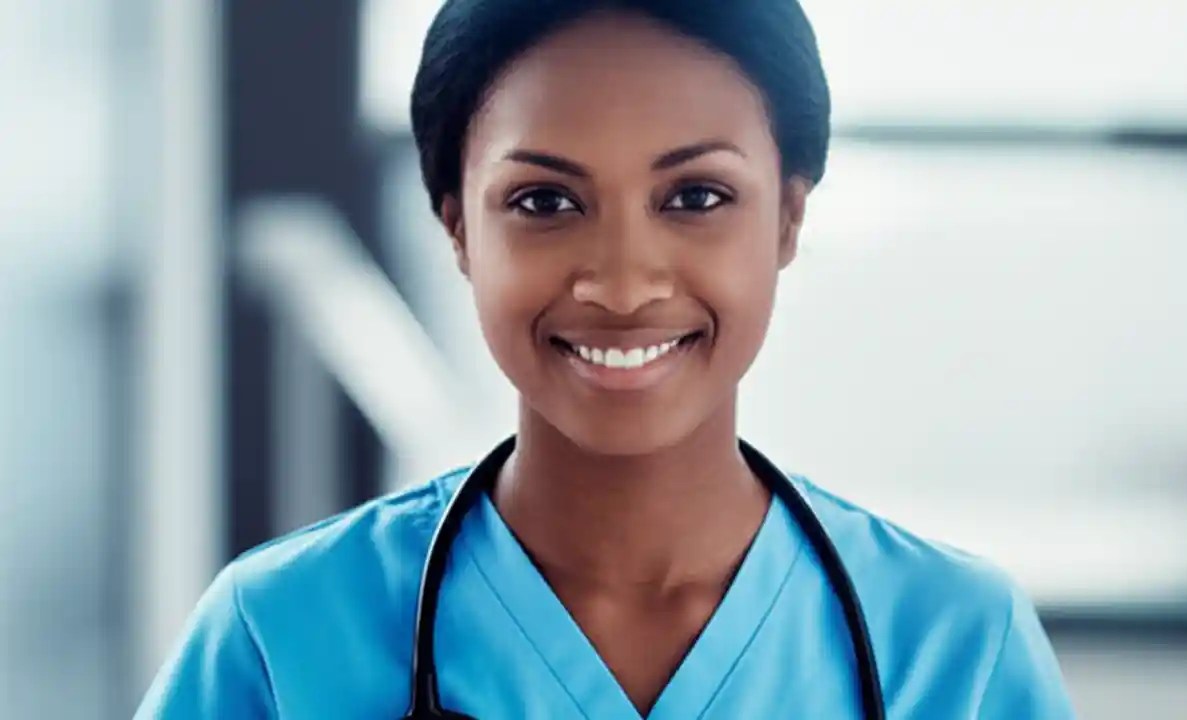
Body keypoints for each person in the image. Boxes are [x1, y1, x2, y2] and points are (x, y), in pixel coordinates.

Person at [136, 1, 1076, 717]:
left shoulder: (954, 647)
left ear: (789, 217)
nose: (623, 286)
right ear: (457, 227)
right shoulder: (281, 638)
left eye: (696, 197)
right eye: (545, 203)